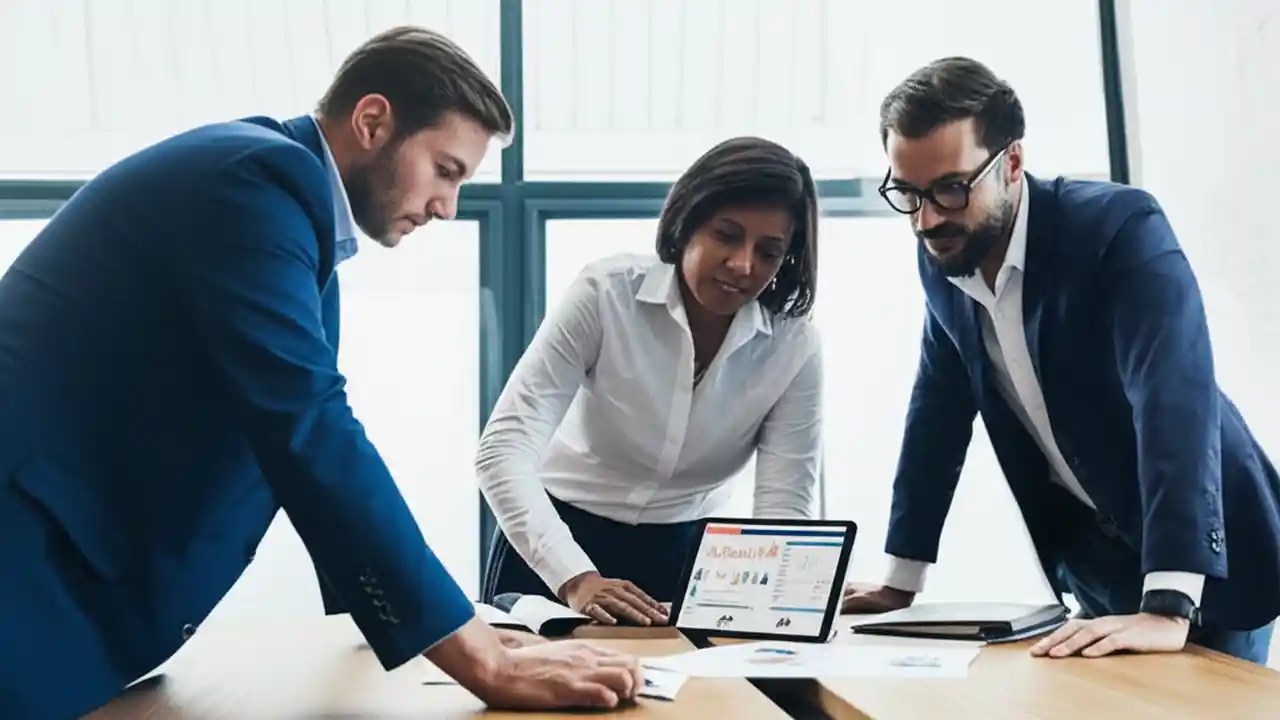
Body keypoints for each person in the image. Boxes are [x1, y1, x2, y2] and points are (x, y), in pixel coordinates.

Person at [0, 27, 642, 718]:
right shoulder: (254, 186)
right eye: (446, 170)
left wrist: (416, 628)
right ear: (373, 121)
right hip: (25, 566)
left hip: (61, 583)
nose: (447, 206)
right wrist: (478, 660)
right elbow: (308, 433)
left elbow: (297, 455)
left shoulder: (278, 205)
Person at [844, 57, 1280, 665]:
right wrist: (902, 577)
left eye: (950, 188)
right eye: (908, 193)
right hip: (1095, 568)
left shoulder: (1119, 227)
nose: (927, 219)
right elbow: (937, 413)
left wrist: (1169, 604)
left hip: (1208, 567)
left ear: (1013, 163)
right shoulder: (943, 257)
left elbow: (1172, 396)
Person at [477, 137, 822, 626]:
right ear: (686, 223)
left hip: (687, 562)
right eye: (726, 235)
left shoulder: (793, 345)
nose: (744, 265)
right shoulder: (606, 294)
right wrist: (575, 577)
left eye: (768, 252)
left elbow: (783, 507)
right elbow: (503, 450)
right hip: (556, 550)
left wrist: (773, 608)